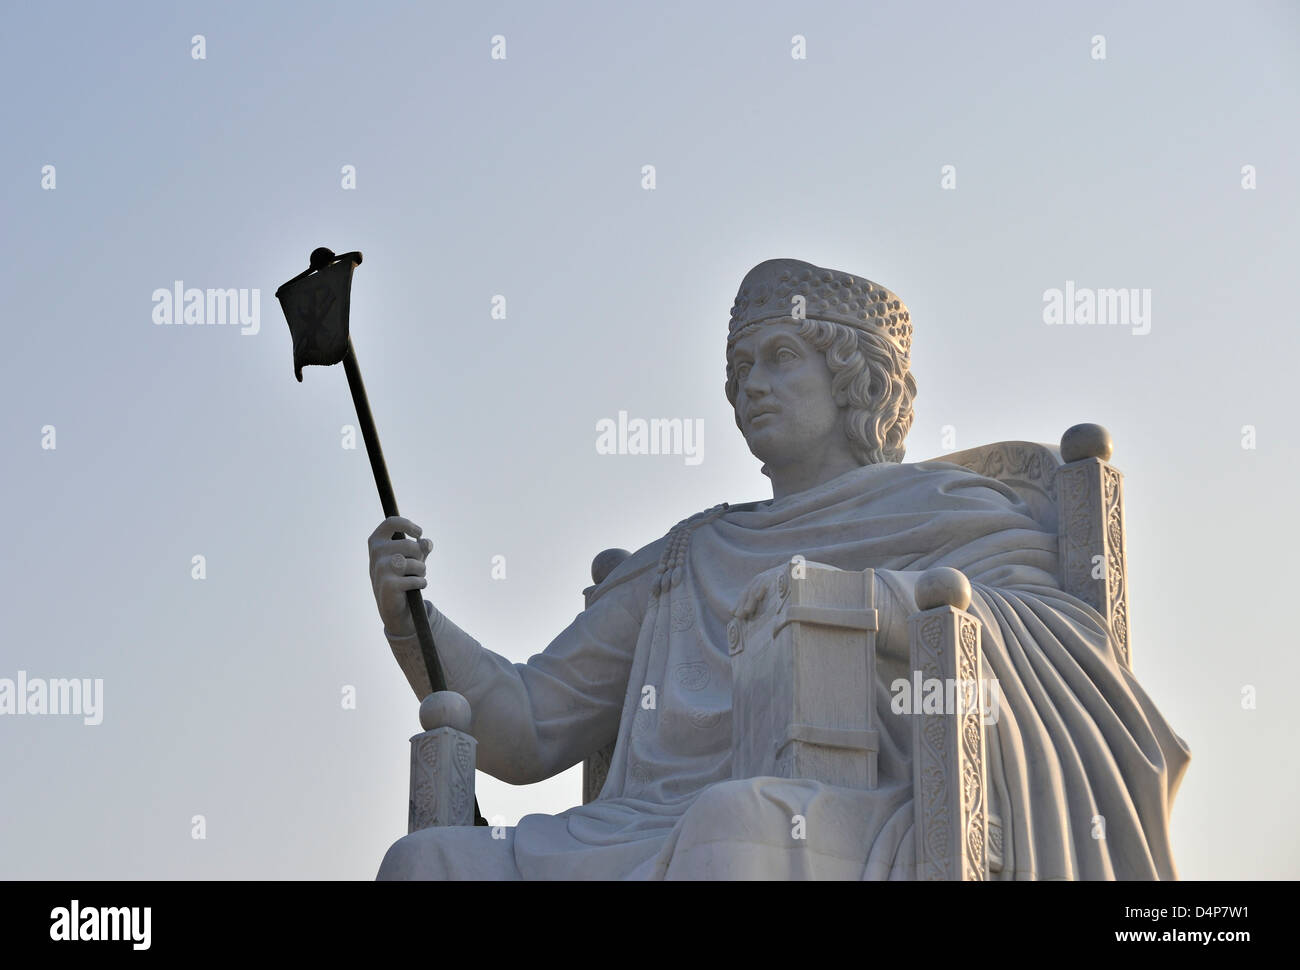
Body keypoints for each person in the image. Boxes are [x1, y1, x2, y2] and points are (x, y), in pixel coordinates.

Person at [371, 258, 1189, 880]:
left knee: (731, 823)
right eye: (740, 368)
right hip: (637, 828)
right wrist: (409, 616)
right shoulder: (683, 559)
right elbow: (524, 722)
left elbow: (1072, 644)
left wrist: (884, 605)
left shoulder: (948, 508)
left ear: (854, 378)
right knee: (428, 864)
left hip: (855, 818)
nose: (750, 386)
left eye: (780, 356)